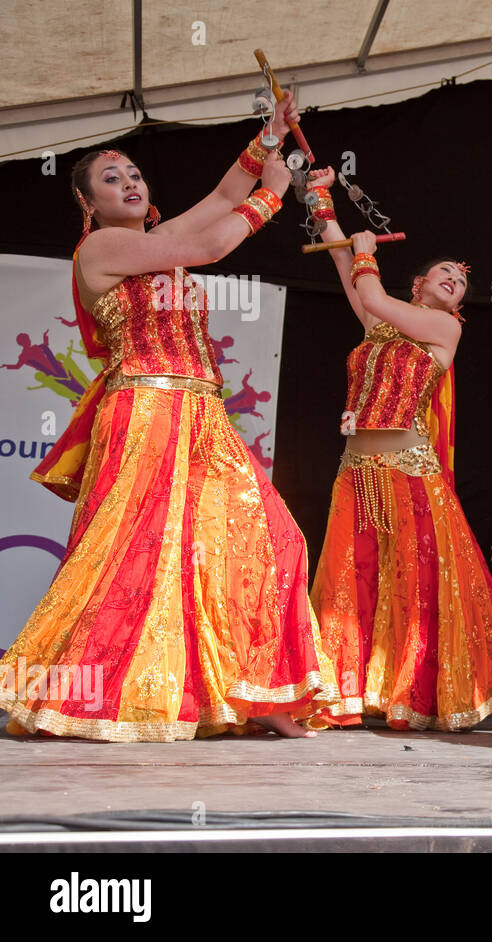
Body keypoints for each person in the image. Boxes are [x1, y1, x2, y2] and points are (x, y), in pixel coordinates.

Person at [2, 98, 339, 741]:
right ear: (88, 204)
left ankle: (251, 687)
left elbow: (218, 197)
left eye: (133, 173)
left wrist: (265, 139)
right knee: (134, 555)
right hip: (146, 411)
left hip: (202, 413)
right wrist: (272, 196)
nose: (129, 182)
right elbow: (213, 241)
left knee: (269, 539)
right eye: (111, 178)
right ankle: (90, 692)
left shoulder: (154, 246)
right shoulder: (102, 248)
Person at [305, 169, 492, 732]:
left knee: (428, 589)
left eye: (462, 281)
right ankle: (351, 693)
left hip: (410, 473)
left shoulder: (443, 330)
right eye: (446, 272)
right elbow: (347, 267)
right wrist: (320, 201)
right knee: (350, 584)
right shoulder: (379, 322)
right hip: (356, 471)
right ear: (417, 282)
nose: (457, 279)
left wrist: (365, 256)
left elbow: (366, 285)